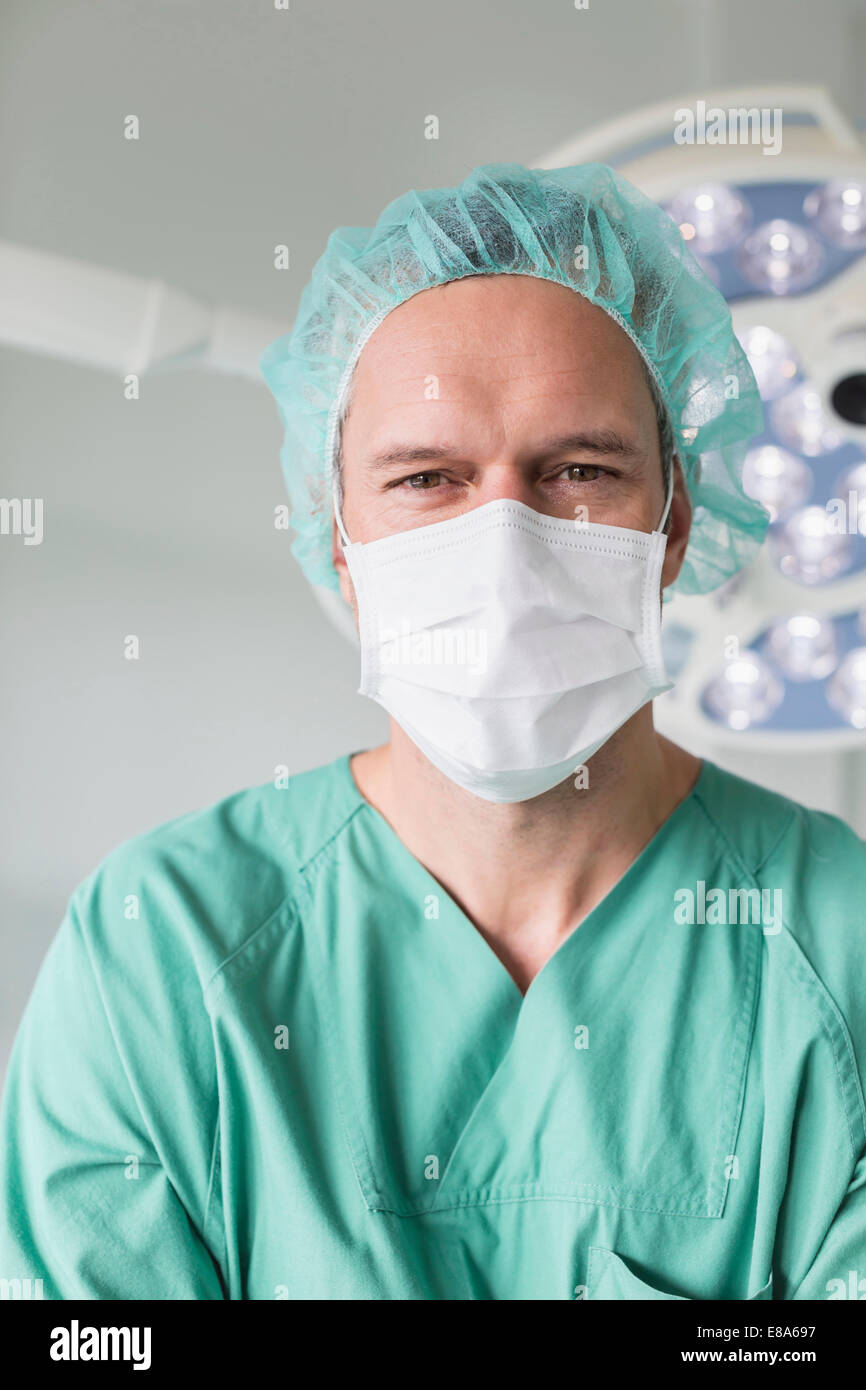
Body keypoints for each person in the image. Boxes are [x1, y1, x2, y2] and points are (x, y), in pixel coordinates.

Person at [2, 162, 865, 1302]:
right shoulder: (160, 949)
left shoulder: (837, 948)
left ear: (671, 526)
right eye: (426, 478)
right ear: (340, 543)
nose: (502, 541)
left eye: (577, 470)